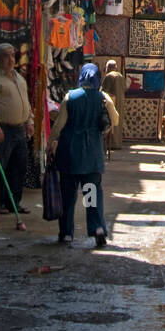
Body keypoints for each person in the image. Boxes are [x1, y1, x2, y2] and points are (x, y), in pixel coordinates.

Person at [49, 63, 110, 248]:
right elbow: (107, 126)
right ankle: (96, 227)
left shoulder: (70, 97)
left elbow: (59, 125)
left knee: (68, 195)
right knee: (91, 193)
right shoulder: (101, 98)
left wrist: (50, 143)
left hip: (70, 154)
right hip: (91, 156)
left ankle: (67, 233)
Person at [0, 43, 34, 214]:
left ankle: (14, 202)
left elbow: (26, 103)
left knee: (19, 166)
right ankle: (0, 203)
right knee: (1, 166)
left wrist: (29, 121)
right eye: (6, 56)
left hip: (19, 129)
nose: (11, 59)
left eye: (12, 55)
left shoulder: (19, 78)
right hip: (3, 129)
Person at [101, 59, 126, 149]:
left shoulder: (109, 76)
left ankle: (111, 144)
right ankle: (117, 143)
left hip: (112, 103)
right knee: (118, 122)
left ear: (108, 68)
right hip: (121, 102)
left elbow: (104, 91)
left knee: (111, 122)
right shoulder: (121, 76)